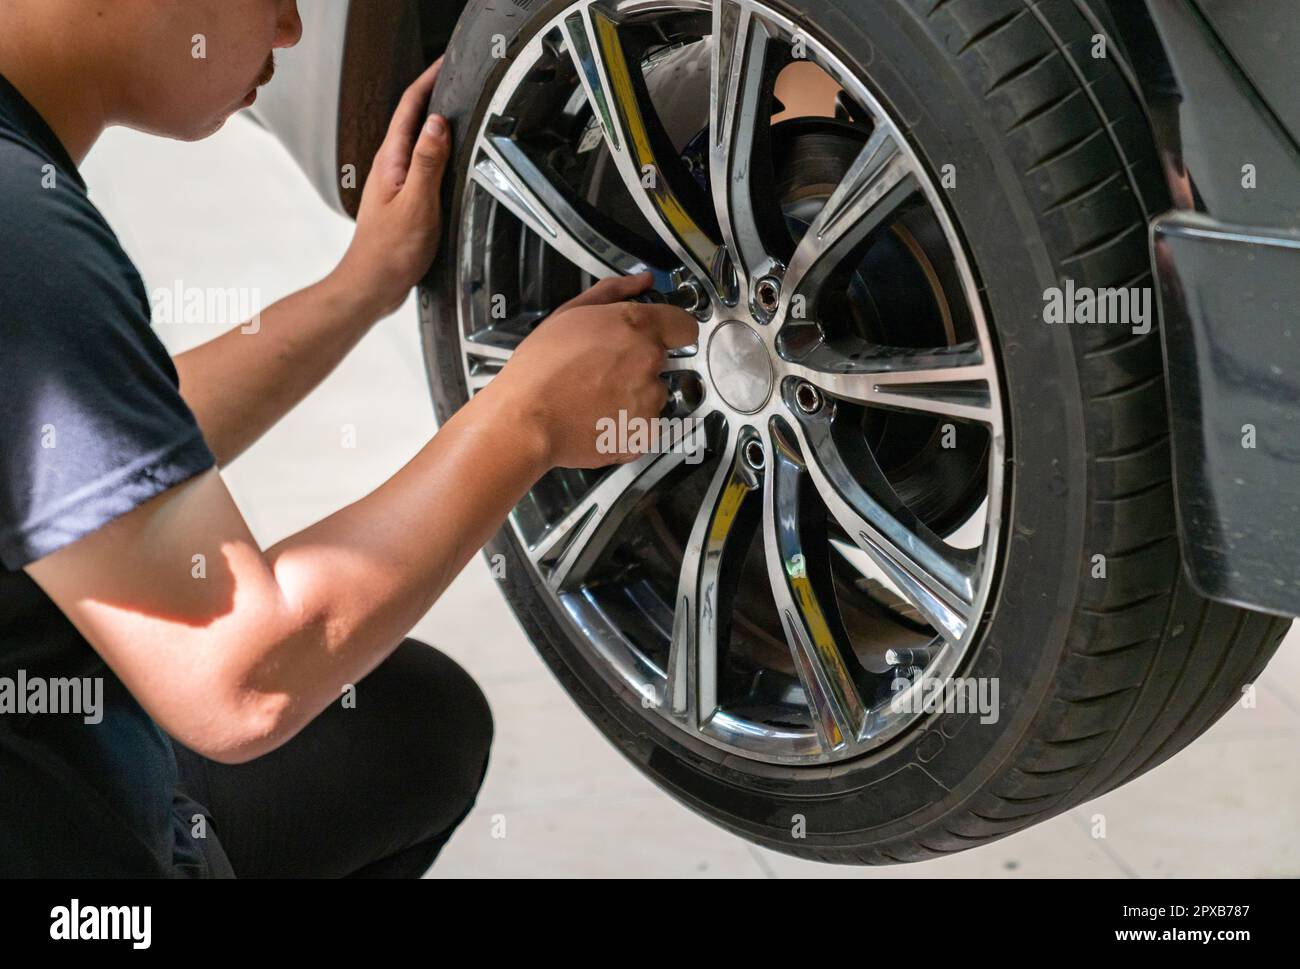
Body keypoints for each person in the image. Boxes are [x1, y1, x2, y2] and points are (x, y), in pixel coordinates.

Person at [0, 0, 697, 877]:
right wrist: (528, 419)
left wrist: (359, 288)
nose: (292, 30)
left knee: (413, 725)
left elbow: (87, 437)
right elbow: (239, 678)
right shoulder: (25, 242)